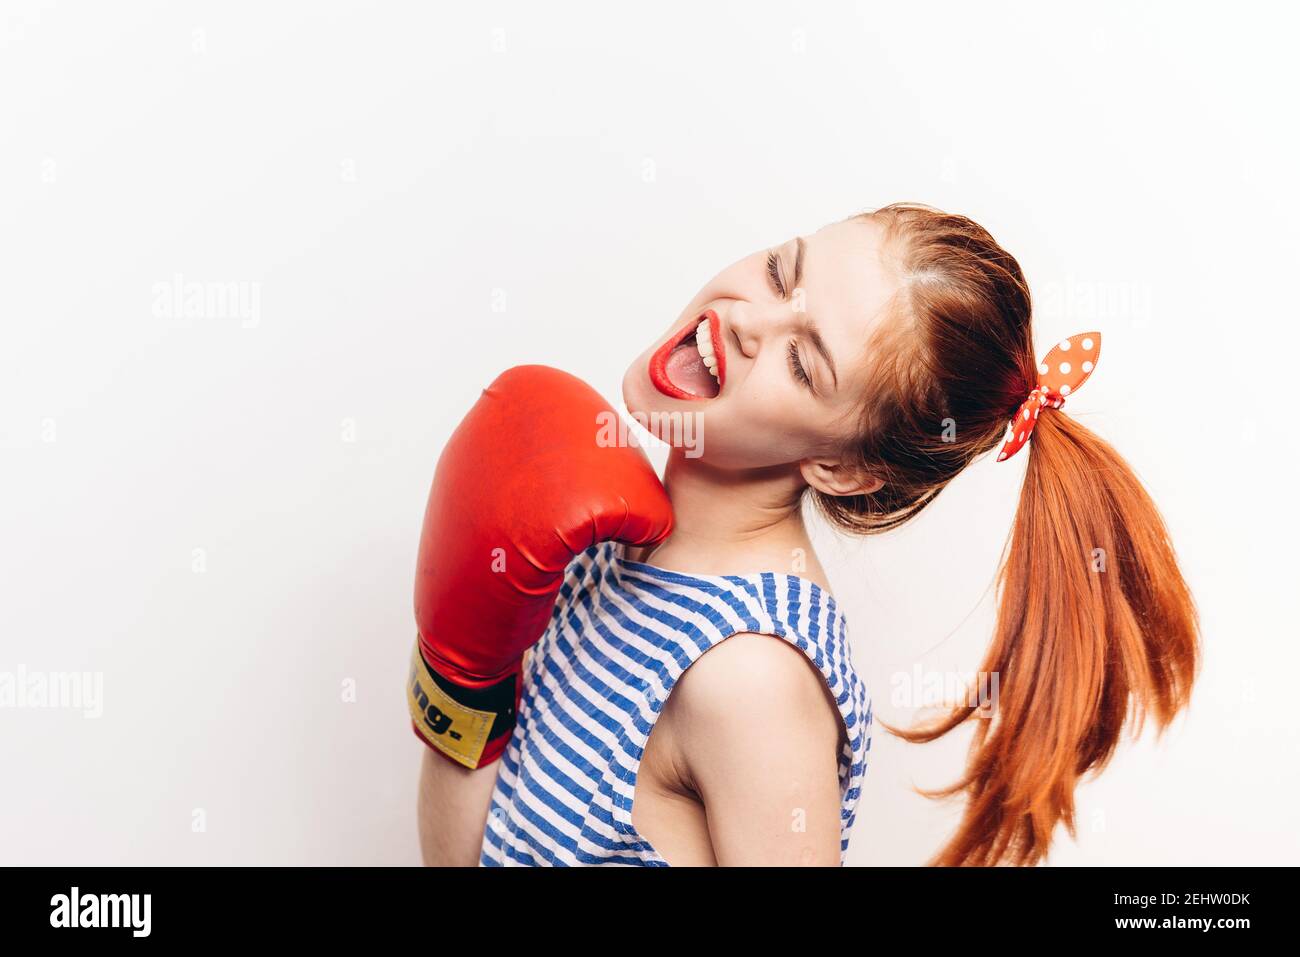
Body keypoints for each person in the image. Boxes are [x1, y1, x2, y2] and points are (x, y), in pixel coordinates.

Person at [410, 202, 1201, 867]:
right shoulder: (607, 541)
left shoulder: (751, 676)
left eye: (805, 363)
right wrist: (465, 672)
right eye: (783, 272)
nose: (753, 321)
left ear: (841, 467)